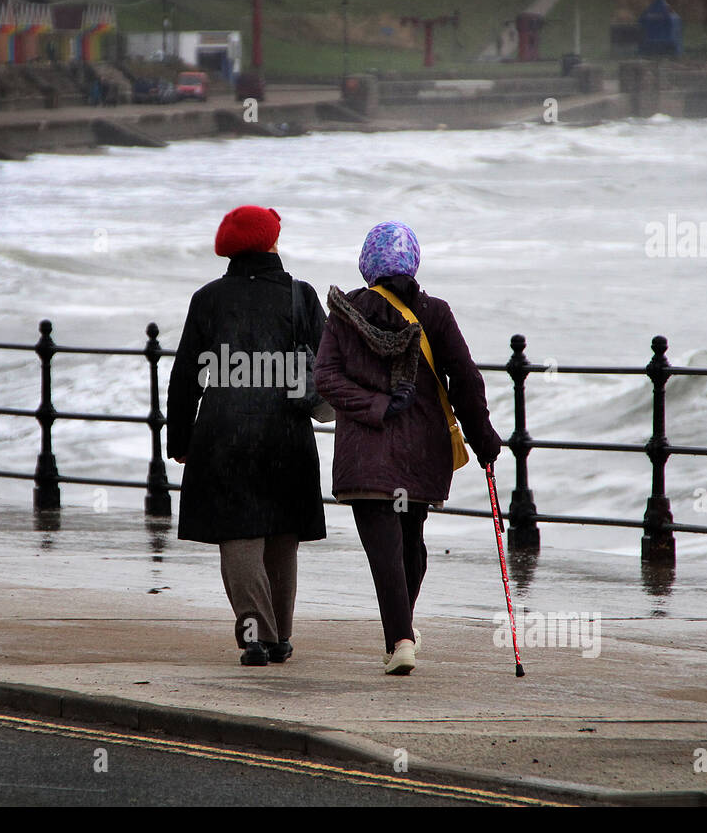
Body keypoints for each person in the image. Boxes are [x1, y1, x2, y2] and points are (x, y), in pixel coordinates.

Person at [314, 221, 501, 675]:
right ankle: (403, 633)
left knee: (385, 550)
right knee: (411, 543)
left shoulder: (343, 314)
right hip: (422, 453)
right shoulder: (434, 313)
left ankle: (400, 637)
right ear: (412, 261)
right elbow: (466, 380)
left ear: (366, 265)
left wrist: (374, 405)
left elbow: (325, 378)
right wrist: (484, 440)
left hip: (364, 456)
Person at [166, 206, 327, 666]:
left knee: (239, 535)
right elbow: (327, 364)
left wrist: (180, 441)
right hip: (286, 431)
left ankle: (255, 636)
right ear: (271, 243)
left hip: (223, 432)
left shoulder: (208, 298)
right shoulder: (301, 295)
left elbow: (184, 377)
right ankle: (281, 637)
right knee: (282, 533)